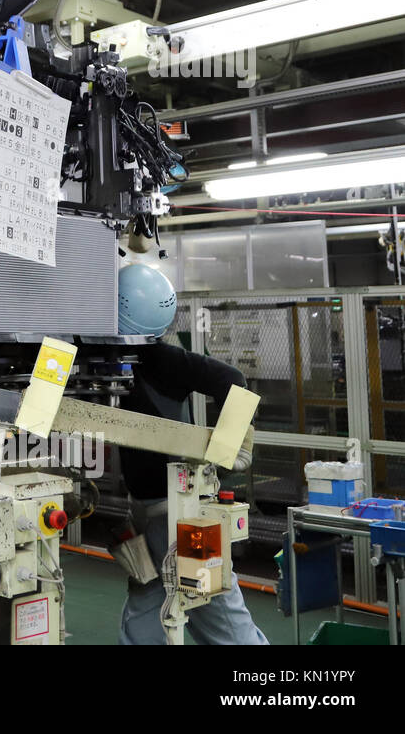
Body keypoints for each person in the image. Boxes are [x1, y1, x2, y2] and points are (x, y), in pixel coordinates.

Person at [115, 262, 267, 645]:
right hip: (151, 516)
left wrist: (231, 443)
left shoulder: (158, 359)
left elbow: (232, 379)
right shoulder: (110, 357)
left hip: (185, 514)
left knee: (220, 616)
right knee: (144, 616)